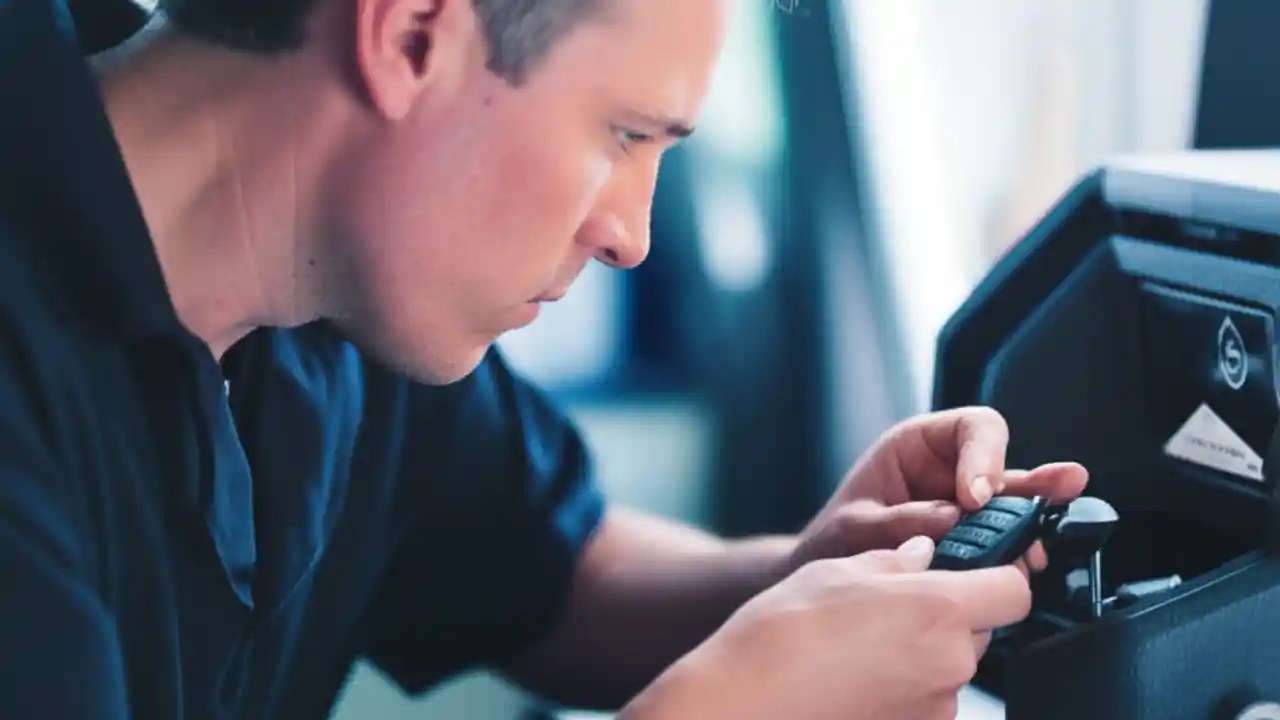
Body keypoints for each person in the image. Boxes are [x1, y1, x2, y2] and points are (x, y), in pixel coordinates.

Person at [0, 0, 1089, 717]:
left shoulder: (343, 295)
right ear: (411, 36)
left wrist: (804, 586)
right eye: (623, 136)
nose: (631, 235)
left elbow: (552, 573)